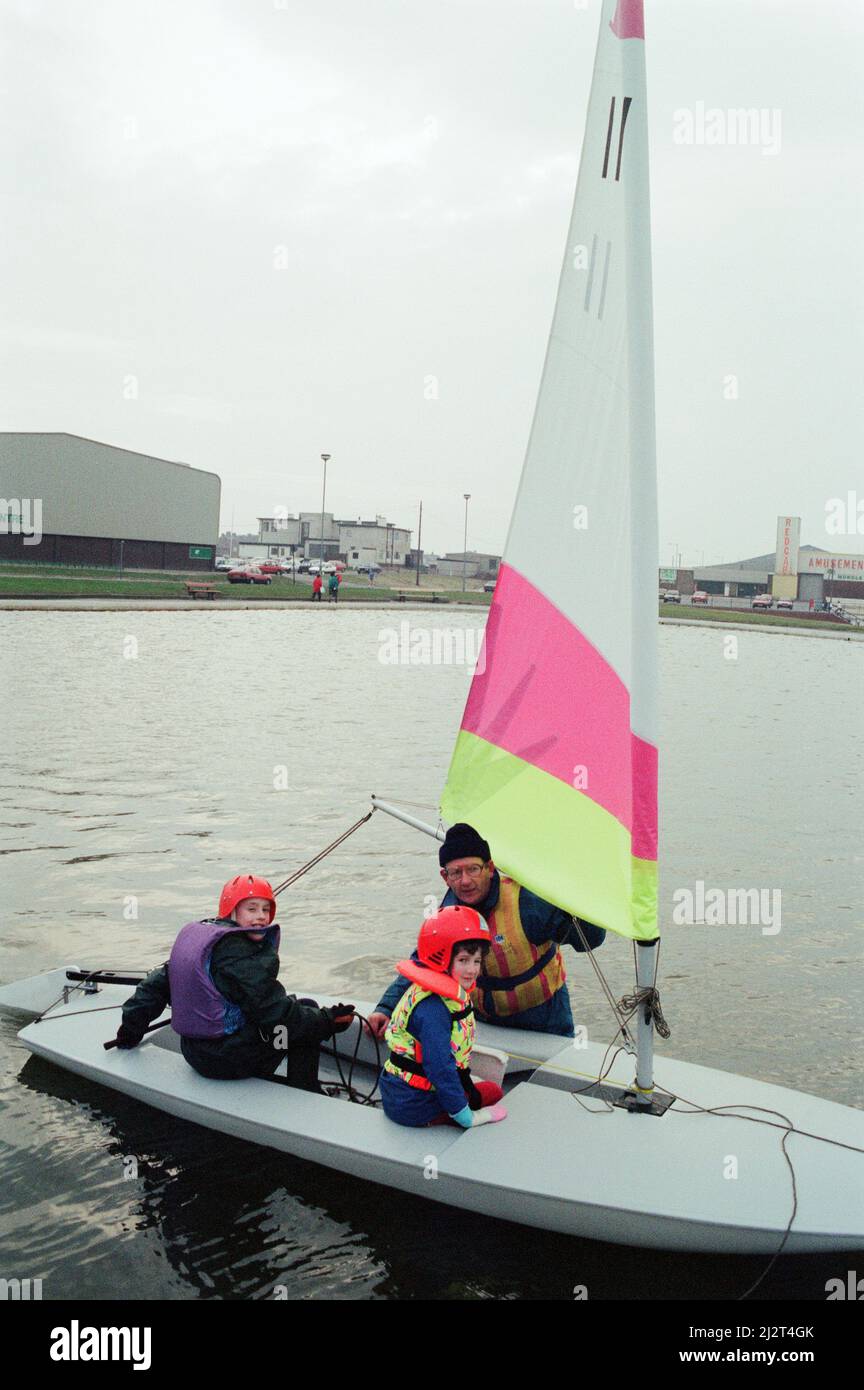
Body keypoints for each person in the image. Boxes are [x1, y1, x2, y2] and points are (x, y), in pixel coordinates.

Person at [113, 874, 355, 1091]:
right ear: (231, 912)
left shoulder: (205, 944)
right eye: (251, 909)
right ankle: (305, 1091)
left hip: (194, 1052)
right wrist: (326, 1021)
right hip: (227, 1061)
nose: (261, 916)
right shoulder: (241, 956)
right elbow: (280, 1017)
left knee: (297, 1012)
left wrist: (129, 1032)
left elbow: (152, 989)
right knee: (306, 1011)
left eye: (266, 909)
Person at [367, 823, 606, 1040]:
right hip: (481, 1021)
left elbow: (591, 940)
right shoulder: (447, 914)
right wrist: (386, 1008)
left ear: (490, 868)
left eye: (473, 869)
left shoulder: (530, 903)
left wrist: (578, 895)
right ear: (445, 877)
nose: (465, 881)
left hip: (544, 1018)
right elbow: (422, 965)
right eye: (455, 873)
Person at [380, 905, 507, 1129]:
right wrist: (466, 1116)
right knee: (493, 1092)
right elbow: (439, 1068)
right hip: (414, 1105)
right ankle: (442, 1117)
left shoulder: (430, 992)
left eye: (477, 961)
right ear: (441, 959)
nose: (472, 970)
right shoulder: (433, 1010)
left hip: (398, 1091)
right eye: (463, 960)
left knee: (480, 1087)